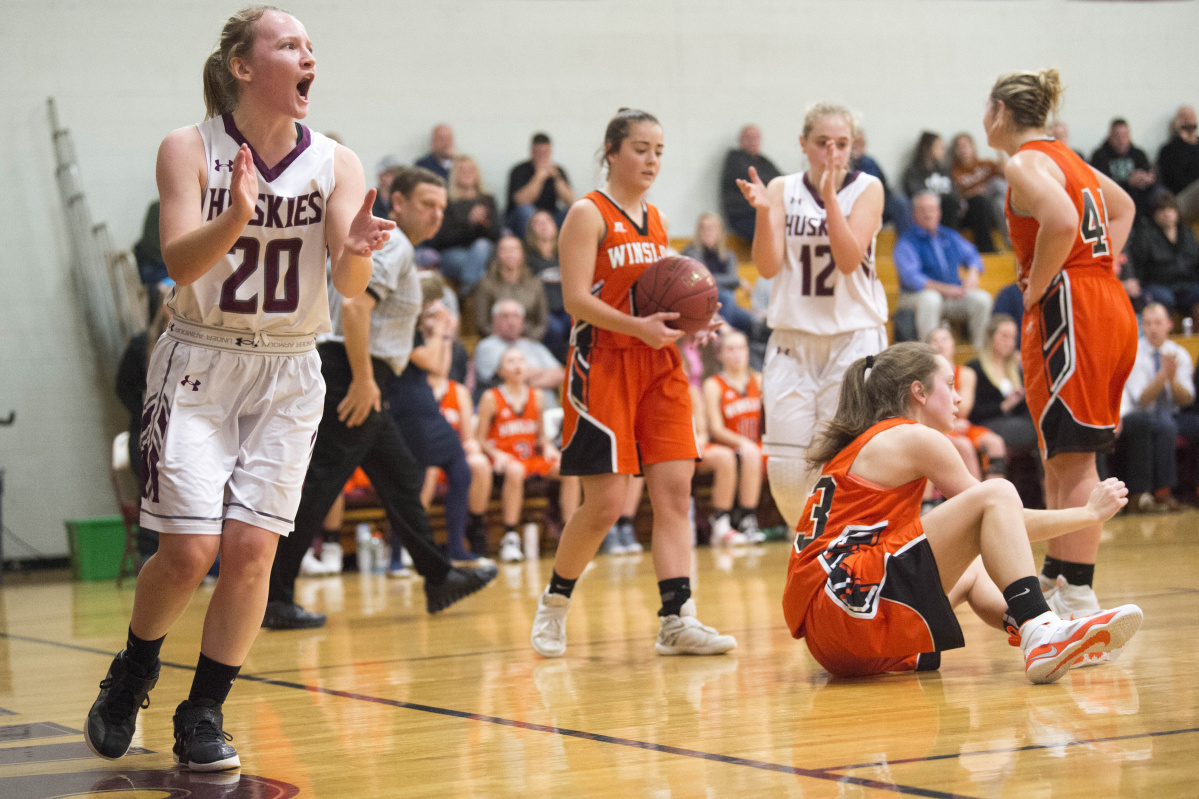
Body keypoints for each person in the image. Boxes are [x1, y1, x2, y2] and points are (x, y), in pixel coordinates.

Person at [84, 7, 396, 771]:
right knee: (189, 550)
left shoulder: (336, 160)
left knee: (253, 547)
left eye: (311, 47)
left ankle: (205, 710)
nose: (307, 56)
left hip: (290, 369)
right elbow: (183, 264)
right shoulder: (187, 148)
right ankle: (133, 667)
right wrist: (236, 217)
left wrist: (353, 250)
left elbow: (350, 284)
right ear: (244, 66)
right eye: (289, 44)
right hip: (199, 361)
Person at [781, 342, 1142, 682]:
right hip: (846, 606)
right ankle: (1043, 631)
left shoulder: (867, 442)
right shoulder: (913, 437)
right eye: (949, 385)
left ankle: (1053, 634)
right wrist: (1089, 514)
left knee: (971, 568)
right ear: (919, 392)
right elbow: (1004, 514)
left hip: (834, 636)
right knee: (996, 493)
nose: (957, 398)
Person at [531, 108, 736, 658]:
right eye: (641, 148)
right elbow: (576, 301)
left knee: (674, 491)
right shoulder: (587, 213)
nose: (651, 160)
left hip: (659, 363)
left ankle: (677, 618)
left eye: (659, 151)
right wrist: (638, 328)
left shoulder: (659, 221)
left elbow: (665, 296)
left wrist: (694, 321)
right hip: (604, 363)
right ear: (612, 152)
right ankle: (554, 602)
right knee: (607, 503)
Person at [264, 167, 495, 629]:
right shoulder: (395, 244)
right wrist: (364, 381)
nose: (436, 214)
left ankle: (438, 575)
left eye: (443, 208)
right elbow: (354, 307)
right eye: (427, 203)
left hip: (358, 372)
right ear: (399, 201)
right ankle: (274, 597)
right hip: (354, 372)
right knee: (320, 485)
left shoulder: (389, 244)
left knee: (400, 475)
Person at [986, 69, 1138, 619]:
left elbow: (1061, 218)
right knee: (1060, 453)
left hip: (1072, 308)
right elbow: (1123, 209)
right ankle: (1056, 574)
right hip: (1104, 303)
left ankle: (1079, 591)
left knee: (1073, 461)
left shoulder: (1024, 162)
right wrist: (1095, 267)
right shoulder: (1068, 157)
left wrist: (1043, 286)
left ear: (1000, 111)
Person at [736, 103, 887, 530]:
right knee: (785, 470)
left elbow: (846, 258)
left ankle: (847, 550)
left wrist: (828, 199)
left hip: (854, 338)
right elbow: (766, 267)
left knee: (845, 459)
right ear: (804, 144)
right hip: (792, 338)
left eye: (842, 144)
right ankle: (808, 549)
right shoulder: (782, 188)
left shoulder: (868, 188)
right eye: (822, 143)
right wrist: (765, 213)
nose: (832, 153)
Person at [390, 276, 494, 568]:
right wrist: (437, 333)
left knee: (460, 470)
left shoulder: (420, 329)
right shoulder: (400, 327)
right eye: (433, 301)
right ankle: (397, 557)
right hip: (404, 407)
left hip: (421, 405)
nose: (437, 307)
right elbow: (428, 362)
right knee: (413, 484)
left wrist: (446, 333)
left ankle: (456, 548)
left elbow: (442, 368)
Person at [476, 348, 561, 562]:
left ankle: (568, 530)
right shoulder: (491, 397)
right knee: (515, 469)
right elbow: (478, 439)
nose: (517, 365)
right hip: (504, 462)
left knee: (567, 468)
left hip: (530, 458)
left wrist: (549, 447)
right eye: (511, 361)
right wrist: (495, 454)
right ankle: (510, 536)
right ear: (501, 370)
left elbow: (541, 437)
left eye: (521, 360)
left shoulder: (537, 396)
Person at [115, 289, 174, 562]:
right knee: (152, 495)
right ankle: (149, 556)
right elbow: (122, 386)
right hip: (147, 433)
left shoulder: (197, 344)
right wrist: (146, 413)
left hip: (184, 431)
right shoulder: (141, 344)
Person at [1118, 303, 1195, 513]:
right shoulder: (1133, 353)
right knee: (1161, 425)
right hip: (1138, 414)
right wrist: (1162, 376)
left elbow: (1186, 399)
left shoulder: (1179, 353)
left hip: (1171, 414)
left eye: (1158, 323)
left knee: (1179, 424)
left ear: (1169, 325)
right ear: (1142, 326)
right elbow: (1141, 400)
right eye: (1148, 323)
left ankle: (1183, 492)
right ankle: (1160, 494)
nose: (1153, 329)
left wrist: (1172, 381)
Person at [893, 192, 994, 349]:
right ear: (914, 214)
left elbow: (973, 254)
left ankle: (980, 355)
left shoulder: (950, 236)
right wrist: (945, 289)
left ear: (939, 212)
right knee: (931, 299)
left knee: (982, 299)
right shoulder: (907, 241)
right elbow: (911, 278)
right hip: (914, 296)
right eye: (923, 210)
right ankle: (929, 357)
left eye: (932, 209)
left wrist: (973, 271)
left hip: (951, 295)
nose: (928, 214)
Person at [702, 330, 765, 543]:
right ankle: (738, 519)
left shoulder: (759, 380)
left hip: (756, 446)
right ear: (720, 355)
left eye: (740, 348)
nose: (736, 354)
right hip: (728, 445)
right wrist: (743, 443)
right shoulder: (714, 384)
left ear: (748, 352)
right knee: (749, 452)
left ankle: (790, 522)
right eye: (730, 349)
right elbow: (716, 429)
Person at [425, 371, 493, 558]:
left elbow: (468, 437)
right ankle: (417, 533)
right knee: (427, 470)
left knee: (479, 464)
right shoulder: (417, 389)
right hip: (425, 454)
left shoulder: (458, 391)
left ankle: (475, 527)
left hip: (453, 454)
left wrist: (471, 446)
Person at [927, 326, 1007, 480]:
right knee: (964, 445)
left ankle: (995, 494)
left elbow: (964, 408)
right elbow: (930, 410)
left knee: (995, 443)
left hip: (961, 424)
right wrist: (948, 420)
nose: (940, 345)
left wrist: (951, 415)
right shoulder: (927, 376)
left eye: (945, 340)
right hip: (938, 426)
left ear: (953, 345)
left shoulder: (966, 373)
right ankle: (976, 499)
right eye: (934, 341)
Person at [966, 315, 1039, 460]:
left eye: (1012, 337)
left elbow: (1021, 410)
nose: (1009, 342)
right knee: (1039, 432)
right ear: (990, 337)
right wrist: (1004, 406)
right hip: (986, 424)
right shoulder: (975, 368)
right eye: (1004, 336)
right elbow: (973, 412)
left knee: (1045, 424)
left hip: (1015, 422)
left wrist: (1022, 398)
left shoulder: (1015, 369)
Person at [428, 155, 499, 294]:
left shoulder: (487, 200)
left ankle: (467, 290)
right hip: (454, 254)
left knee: (481, 246)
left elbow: (496, 234)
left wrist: (481, 223)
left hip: (483, 253)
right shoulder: (445, 202)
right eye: (462, 170)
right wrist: (470, 224)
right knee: (477, 264)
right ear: (454, 174)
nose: (467, 173)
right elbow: (441, 239)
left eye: (471, 169)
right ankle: (475, 289)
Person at [1126, 190, 1199, 318]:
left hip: (1186, 283)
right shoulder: (1146, 235)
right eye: (1162, 210)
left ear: (1176, 211)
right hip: (1158, 285)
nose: (1167, 213)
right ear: (1155, 214)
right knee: (1164, 298)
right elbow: (1139, 264)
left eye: (1170, 208)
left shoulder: (1187, 233)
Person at [472, 298, 564, 398]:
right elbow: (506, 377)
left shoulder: (534, 346)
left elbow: (560, 374)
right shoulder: (486, 346)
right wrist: (543, 374)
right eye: (505, 316)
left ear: (522, 320)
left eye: (516, 316)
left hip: (549, 411)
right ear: (495, 320)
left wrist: (524, 382)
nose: (511, 322)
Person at [682, 213, 755, 336]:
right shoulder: (691, 253)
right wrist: (736, 281)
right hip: (700, 304)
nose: (708, 232)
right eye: (704, 228)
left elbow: (730, 279)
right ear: (698, 231)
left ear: (720, 231)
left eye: (712, 228)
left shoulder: (728, 255)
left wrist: (732, 281)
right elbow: (703, 281)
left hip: (724, 305)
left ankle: (737, 348)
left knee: (750, 320)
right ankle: (722, 341)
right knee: (727, 296)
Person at [473, 234, 549, 342]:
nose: (510, 254)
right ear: (497, 254)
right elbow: (482, 324)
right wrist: (505, 339)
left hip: (529, 340)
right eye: (504, 250)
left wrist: (528, 340)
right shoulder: (486, 284)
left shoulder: (535, 283)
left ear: (522, 254)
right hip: (497, 341)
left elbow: (542, 322)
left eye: (514, 249)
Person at [720, 125, 782, 241]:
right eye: (748, 137)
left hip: (761, 212)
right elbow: (762, 181)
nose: (752, 141)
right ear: (741, 140)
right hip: (743, 216)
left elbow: (780, 179)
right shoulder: (735, 159)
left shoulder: (763, 161)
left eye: (755, 137)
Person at [506, 132, 573, 235]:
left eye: (545, 152)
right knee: (526, 211)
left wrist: (557, 178)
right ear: (532, 151)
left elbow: (571, 201)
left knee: (572, 212)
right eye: (539, 153)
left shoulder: (558, 170)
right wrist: (539, 177)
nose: (542, 156)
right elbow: (521, 201)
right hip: (524, 218)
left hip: (551, 216)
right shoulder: (519, 170)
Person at [525, 210, 570, 362]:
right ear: (531, 230)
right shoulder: (527, 259)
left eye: (548, 221)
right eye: (538, 222)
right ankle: (556, 364)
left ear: (555, 227)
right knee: (553, 328)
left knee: (576, 322)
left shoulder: (566, 253)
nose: (543, 225)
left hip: (567, 308)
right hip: (544, 310)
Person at [1090, 118, 1158, 217]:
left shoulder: (1138, 154)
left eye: (1124, 136)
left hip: (1139, 199)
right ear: (1110, 136)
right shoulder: (1100, 155)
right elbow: (1100, 183)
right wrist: (1128, 182)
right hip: (1112, 200)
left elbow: (1149, 172)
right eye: (1117, 136)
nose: (1121, 140)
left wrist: (1147, 178)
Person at [949, 132, 1004, 253]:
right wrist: (975, 192)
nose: (962, 149)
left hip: (992, 204)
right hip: (972, 208)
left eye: (965, 145)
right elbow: (955, 198)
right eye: (958, 147)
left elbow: (1007, 179)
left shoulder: (986, 164)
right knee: (980, 199)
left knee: (998, 191)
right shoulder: (954, 170)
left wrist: (1001, 153)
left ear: (972, 146)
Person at [851, 129, 911, 233]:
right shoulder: (844, 165)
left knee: (900, 202)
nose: (859, 146)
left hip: (878, 203)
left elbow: (885, 186)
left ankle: (906, 242)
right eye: (856, 142)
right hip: (857, 206)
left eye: (862, 142)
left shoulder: (870, 162)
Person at [902, 131, 961, 228]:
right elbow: (917, 195)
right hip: (928, 212)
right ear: (927, 149)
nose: (943, 149)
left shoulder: (945, 170)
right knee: (947, 202)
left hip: (949, 211)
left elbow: (955, 193)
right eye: (938, 146)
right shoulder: (914, 171)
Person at [1158, 106, 1199, 224]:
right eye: (1183, 117)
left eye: (1191, 117)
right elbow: (1174, 180)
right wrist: (1181, 138)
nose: (1188, 120)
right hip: (1181, 198)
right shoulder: (1169, 149)